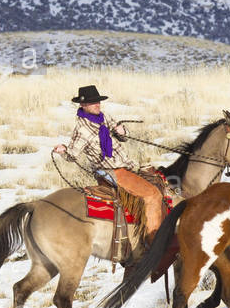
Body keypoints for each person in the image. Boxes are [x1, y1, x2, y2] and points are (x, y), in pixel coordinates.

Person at [53, 85, 165, 239]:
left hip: (125, 166)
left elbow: (124, 137)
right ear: (83, 105)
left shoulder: (104, 117)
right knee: (153, 195)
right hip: (110, 171)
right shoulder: (81, 130)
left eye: (98, 101)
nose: (97, 104)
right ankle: (155, 241)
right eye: (93, 102)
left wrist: (122, 131)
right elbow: (73, 155)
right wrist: (63, 150)